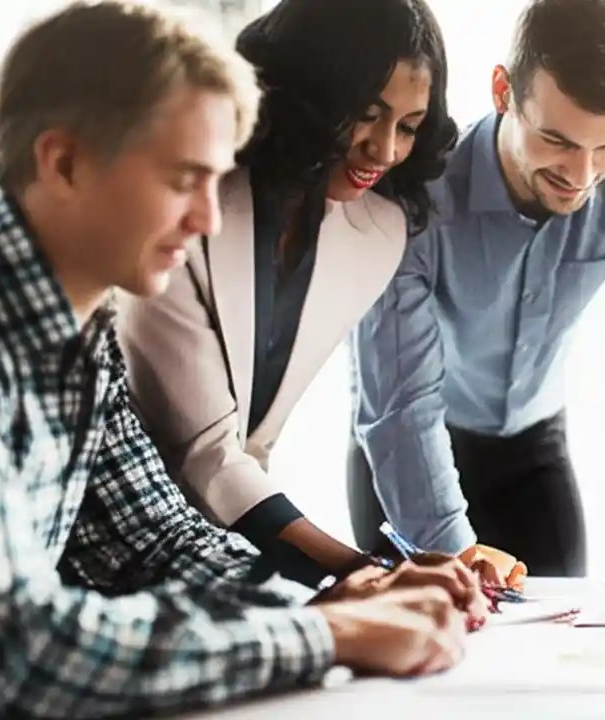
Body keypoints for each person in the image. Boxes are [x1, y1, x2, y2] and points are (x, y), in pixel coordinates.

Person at [0, 3, 466, 716]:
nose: (209, 219)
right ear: (65, 162)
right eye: (182, 179)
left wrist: (341, 593)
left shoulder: (79, 339)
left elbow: (154, 536)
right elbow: (14, 652)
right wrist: (322, 634)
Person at [117, 0, 512, 589]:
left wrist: (419, 562)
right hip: (120, 522)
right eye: (365, 114)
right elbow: (205, 453)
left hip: (225, 536)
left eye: (406, 126)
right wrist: (369, 572)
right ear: (310, 94)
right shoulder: (185, 212)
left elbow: (249, 452)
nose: (383, 150)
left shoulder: (379, 232)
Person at [348, 0, 605, 577]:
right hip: (406, 441)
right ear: (502, 92)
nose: (582, 177)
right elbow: (400, 401)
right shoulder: (418, 191)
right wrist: (453, 554)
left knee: (560, 641)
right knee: (430, 644)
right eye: (557, 141)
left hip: (533, 447)